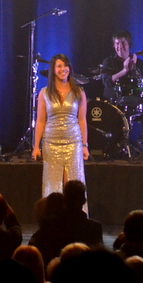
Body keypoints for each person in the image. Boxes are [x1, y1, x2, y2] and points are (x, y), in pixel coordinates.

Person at [32, 54, 89, 197]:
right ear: (53, 69)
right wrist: (36, 147)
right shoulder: (44, 93)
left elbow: (82, 120)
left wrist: (84, 145)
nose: (63, 69)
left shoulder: (79, 92)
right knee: (52, 184)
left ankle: (75, 217)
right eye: (59, 66)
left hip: (73, 142)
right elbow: (40, 121)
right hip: (51, 143)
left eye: (66, 66)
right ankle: (53, 217)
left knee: (72, 185)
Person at [99, 30, 143, 102]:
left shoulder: (139, 62)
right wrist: (124, 71)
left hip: (133, 103)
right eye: (117, 43)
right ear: (114, 45)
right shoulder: (108, 62)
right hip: (112, 103)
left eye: (123, 43)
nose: (120, 46)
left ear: (129, 44)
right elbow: (106, 82)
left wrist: (133, 67)